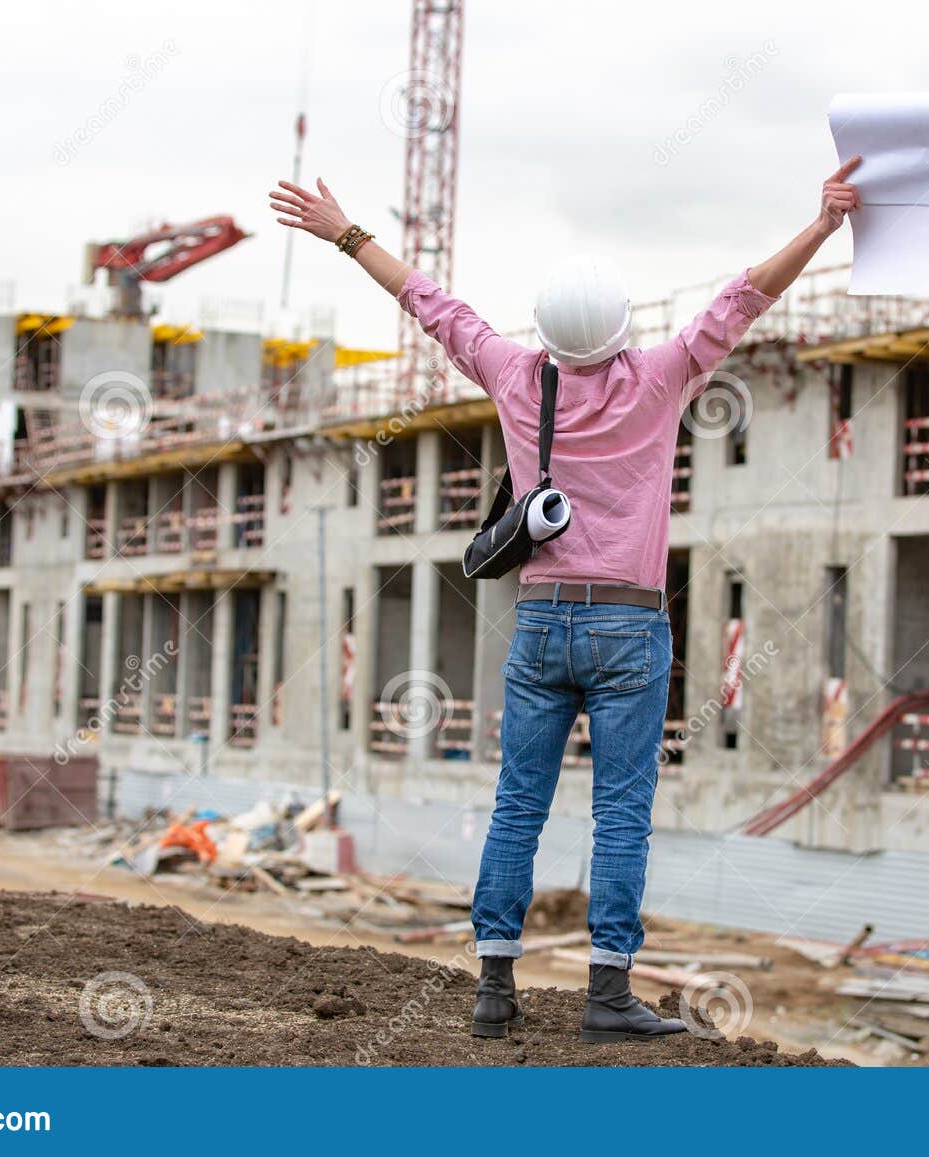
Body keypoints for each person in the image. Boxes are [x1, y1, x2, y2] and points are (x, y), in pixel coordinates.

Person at [269, 157, 862, 1042]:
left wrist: (347, 233)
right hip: (630, 623)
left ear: (546, 332)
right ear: (623, 330)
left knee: (519, 803)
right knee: (620, 811)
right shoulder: (663, 376)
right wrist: (821, 225)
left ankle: (494, 987)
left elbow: (434, 307)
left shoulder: (515, 375)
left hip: (542, 620)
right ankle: (608, 990)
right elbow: (742, 299)